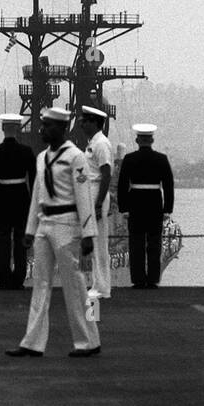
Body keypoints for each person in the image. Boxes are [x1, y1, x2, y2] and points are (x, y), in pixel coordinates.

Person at [6, 107, 100, 358]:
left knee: (75, 285)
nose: (43, 129)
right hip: (45, 223)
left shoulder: (76, 158)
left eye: (48, 125)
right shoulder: (41, 158)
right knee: (40, 283)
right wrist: (30, 229)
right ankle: (32, 342)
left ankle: (88, 340)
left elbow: (84, 196)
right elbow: (37, 194)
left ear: (61, 128)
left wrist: (88, 232)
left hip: (67, 224)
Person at [116, 123, 174, 289]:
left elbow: (122, 185)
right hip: (155, 202)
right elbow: (168, 185)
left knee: (136, 243)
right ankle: (153, 279)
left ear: (137, 140)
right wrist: (167, 209)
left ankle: (138, 279)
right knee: (155, 243)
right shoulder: (161, 159)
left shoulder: (129, 159)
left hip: (135, 202)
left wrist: (123, 208)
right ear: (152, 140)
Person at [0, 113, 35, 289]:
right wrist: (33, 205)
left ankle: (3, 280)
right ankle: (19, 279)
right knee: (21, 240)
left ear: (3, 128)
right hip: (22, 198)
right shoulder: (27, 152)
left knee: (2, 240)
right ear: (18, 129)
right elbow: (34, 180)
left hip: (3, 199)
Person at [80, 105, 114, 300]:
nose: (82, 124)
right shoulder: (93, 142)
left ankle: (102, 288)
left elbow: (106, 173)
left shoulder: (101, 144)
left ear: (94, 122)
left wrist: (100, 202)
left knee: (99, 242)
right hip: (90, 192)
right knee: (93, 241)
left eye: (85, 121)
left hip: (96, 194)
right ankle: (97, 284)